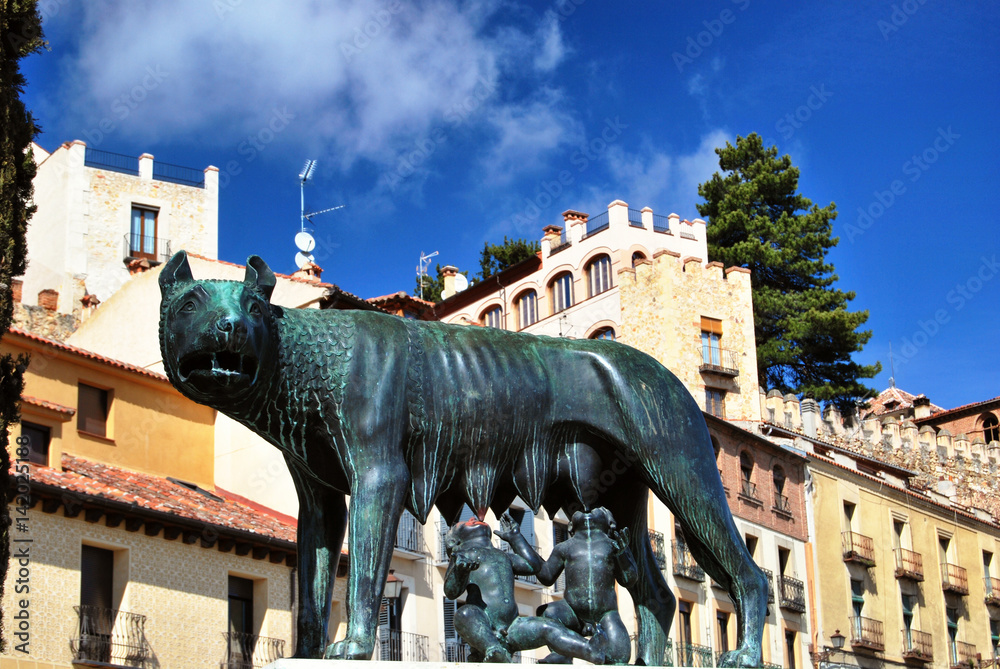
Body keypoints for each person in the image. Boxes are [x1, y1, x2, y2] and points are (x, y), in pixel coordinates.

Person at [506, 507, 637, 665]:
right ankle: (561, 654)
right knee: (549, 613)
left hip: (605, 614)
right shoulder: (564, 547)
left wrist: (622, 555)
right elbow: (546, 575)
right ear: (570, 526)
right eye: (580, 510)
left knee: (619, 656)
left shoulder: (614, 546)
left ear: (610, 523)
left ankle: (568, 650)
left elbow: (629, 580)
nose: (587, 509)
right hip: (572, 611)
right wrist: (517, 539)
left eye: (596, 508)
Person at [443, 514, 541, 662]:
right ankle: (493, 649)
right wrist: (459, 571)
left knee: (550, 626)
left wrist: (516, 537)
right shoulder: (462, 555)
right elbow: (450, 592)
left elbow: (533, 565)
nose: (472, 518)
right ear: (454, 541)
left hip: (513, 626)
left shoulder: (503, 556)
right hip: (485, 622)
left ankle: (586, 649)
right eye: (463, 523)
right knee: (464, 614)